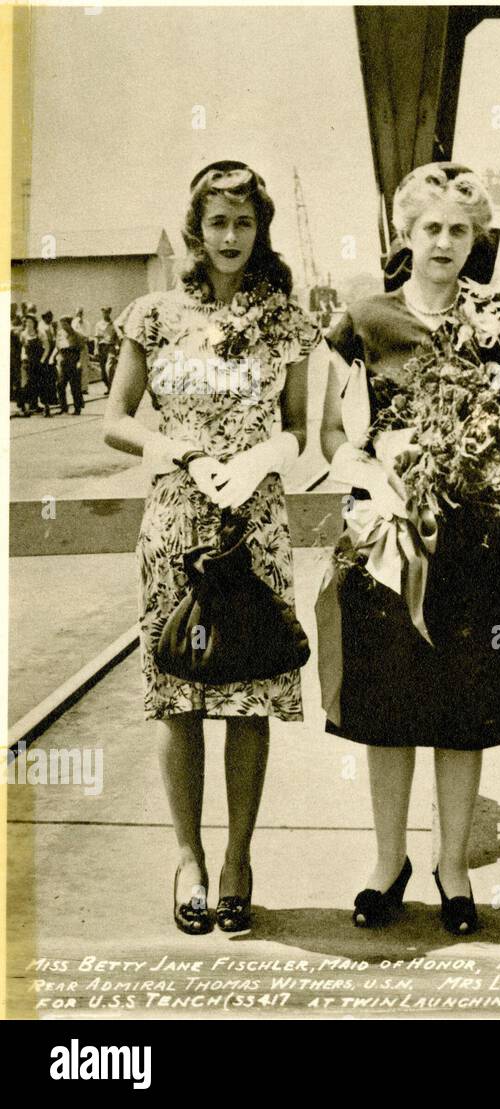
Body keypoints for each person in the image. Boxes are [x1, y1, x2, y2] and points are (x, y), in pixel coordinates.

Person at [103, 161, 319, 936]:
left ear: (261, 231)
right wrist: (179, 451)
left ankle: (237, 860)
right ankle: (188, 857)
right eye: (217, 222)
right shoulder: (153, 313)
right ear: (196, 229)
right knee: (178, 690)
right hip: (175, 520)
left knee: (249, 690)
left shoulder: (286, 319)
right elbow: (115, 417)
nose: (230, 237)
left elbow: (300, 429)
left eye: (244, 222)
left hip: (253, 523)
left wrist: (262, 458)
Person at [319, 162, 500, 937]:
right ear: (403, 236)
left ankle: (453, 862)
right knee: (387, 701)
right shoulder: (363, 321)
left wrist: (487, 463)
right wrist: (372, 478)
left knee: (462, 703)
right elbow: (334, 432)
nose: (445, 242)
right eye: (430, 227)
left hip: (471, 535)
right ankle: (386, 860)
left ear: (478, 241)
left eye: (460, 230)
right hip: (385, 533)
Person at [54, 315, 84, 415]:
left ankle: (77, 408)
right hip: (63, 361)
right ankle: (64, 407)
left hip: (73, 361)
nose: (62, 325)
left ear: (69, 323)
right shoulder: (60, 334)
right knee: (60, 385)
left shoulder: (77, 335)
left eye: (64, 323)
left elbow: (82, 350)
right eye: (61, 323)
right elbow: (57, 346)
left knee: (74, 386)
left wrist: (80, 362)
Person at [94, 306, 120, 393]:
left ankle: (113, 387)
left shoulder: (114, 324)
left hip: (111, 347)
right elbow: (96, 338)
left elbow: (117, 337)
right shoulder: (98, 324)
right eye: (104, 312)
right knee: (103, 372)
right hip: (102, 348)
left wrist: (117, 346)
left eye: (107, 312)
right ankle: (109, 387)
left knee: (108, 368)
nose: (105, 314)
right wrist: (96, 349)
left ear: (109, 312)